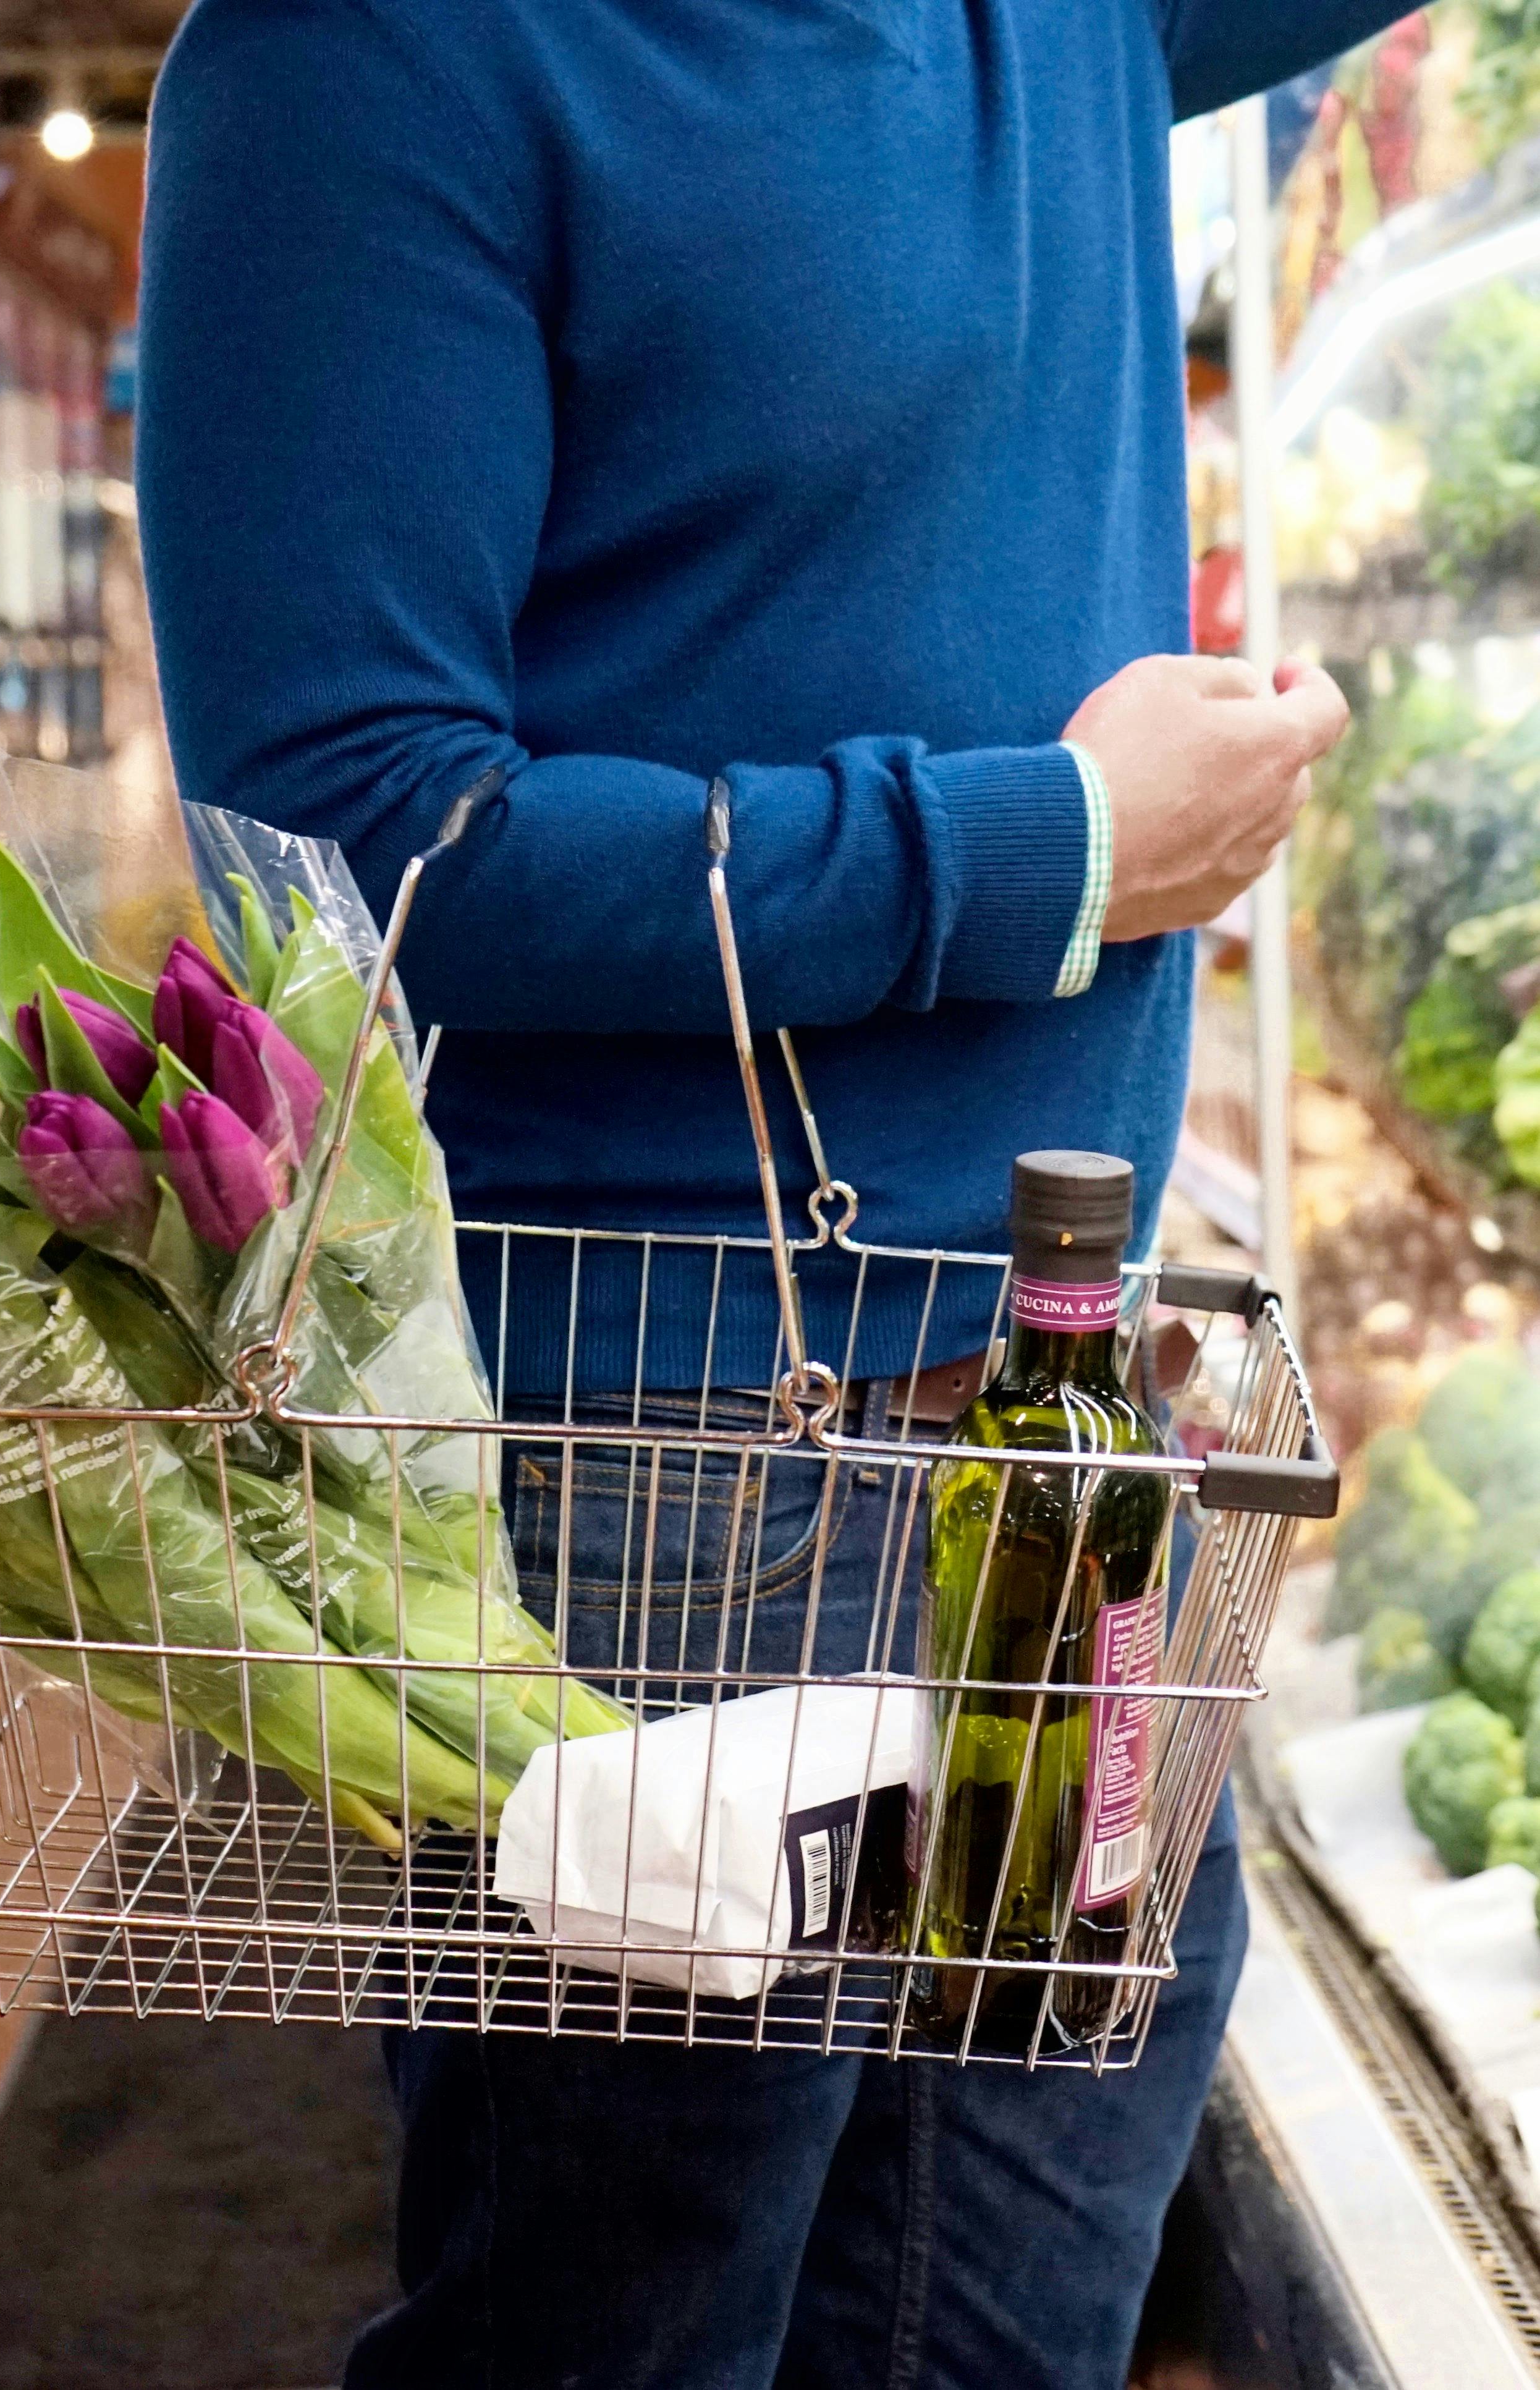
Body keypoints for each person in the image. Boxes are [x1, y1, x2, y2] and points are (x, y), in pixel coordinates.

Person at [133, 7, 1386, 2385]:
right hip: (673, 1458)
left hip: (1064, 1416)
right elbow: (351, 828)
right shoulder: (361, 62)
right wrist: (1053, 844)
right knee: (619, 2318)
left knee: (1000, 2306)